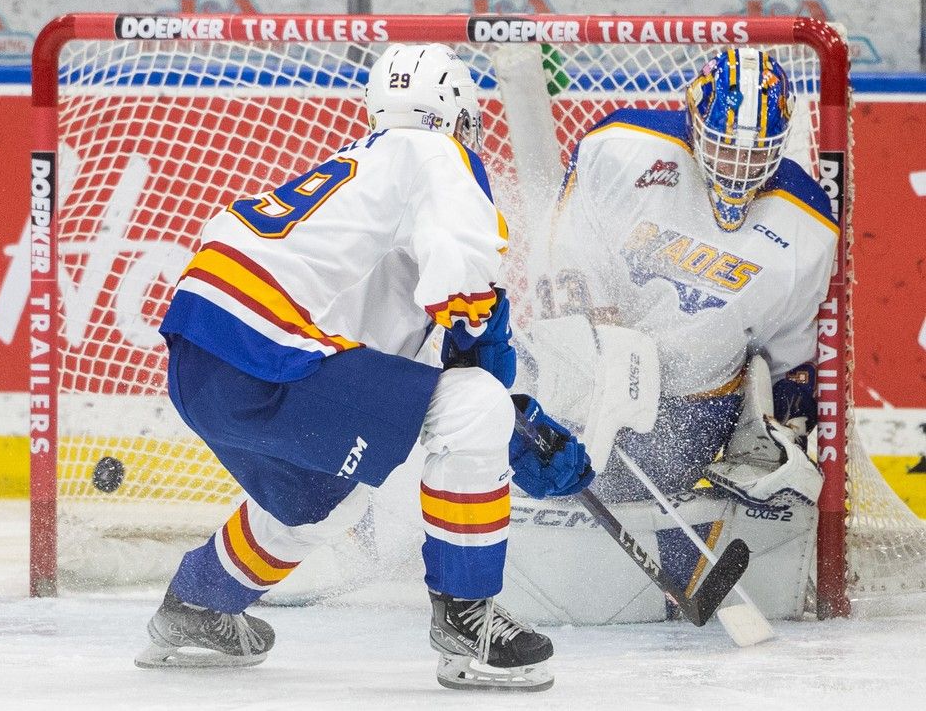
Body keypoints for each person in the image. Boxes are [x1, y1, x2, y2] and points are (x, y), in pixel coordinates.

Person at [134, 42, 589, 692]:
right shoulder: (437, 153)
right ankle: (467, 618)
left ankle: (196, 606)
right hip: (266, 347)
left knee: (319, 498)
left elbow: (371, 352)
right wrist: (492, 385)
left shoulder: (365, 175)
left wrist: (489, 386)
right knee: (472, 408)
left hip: (201, 356)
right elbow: (463, 268)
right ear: (454, 114)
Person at [503, 47, 833, 623]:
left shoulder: (807, 223)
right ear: (691, 119)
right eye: (725, 145)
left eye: (756, 152)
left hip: (697, 404)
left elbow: (789, 356)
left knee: (619, 509)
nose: (737, 166)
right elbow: (565, 257)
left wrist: (788, 427)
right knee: (530, 466)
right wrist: (595, 346)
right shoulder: (621, 148)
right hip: (590, 373)